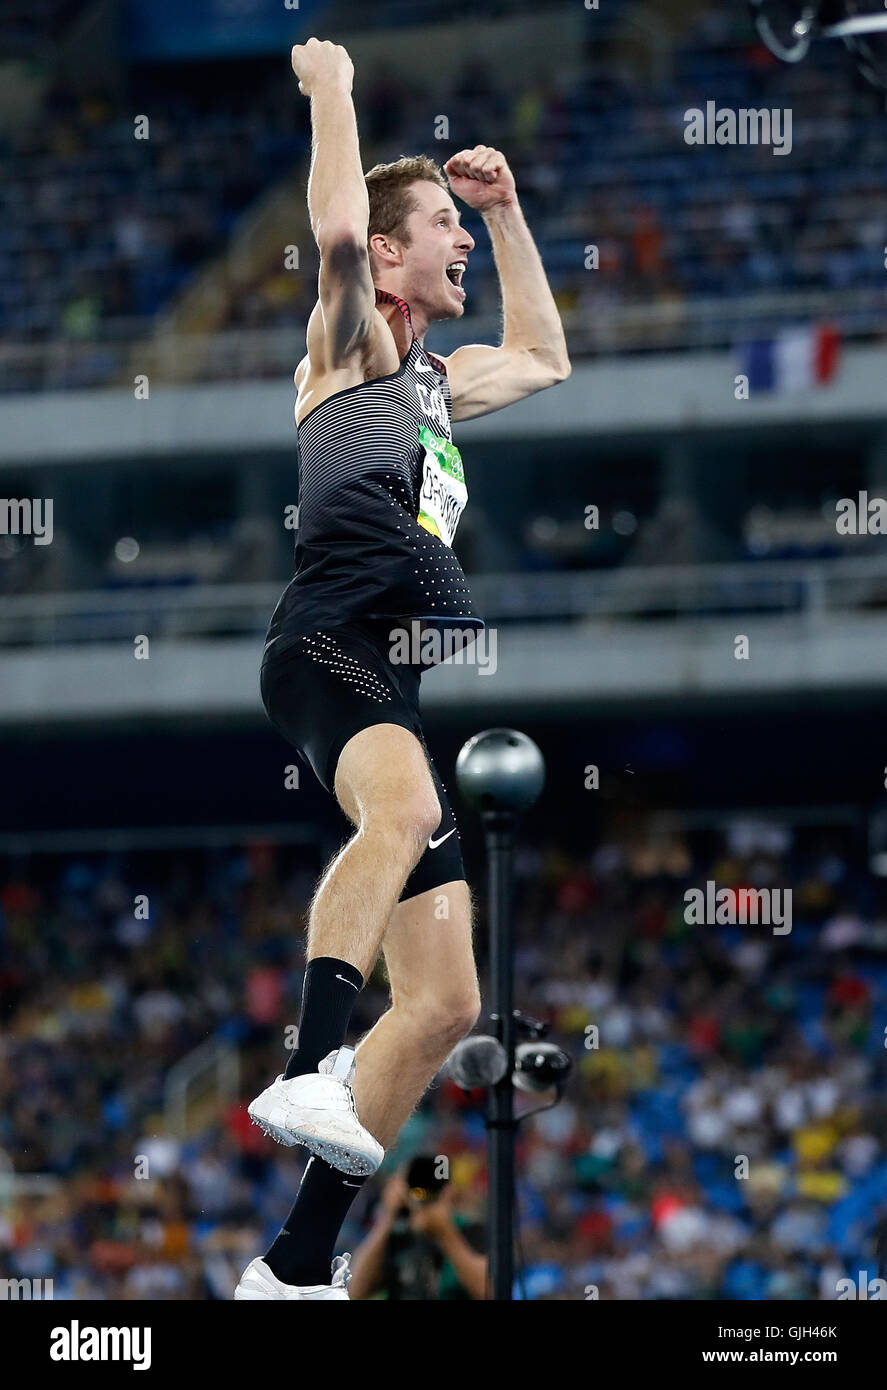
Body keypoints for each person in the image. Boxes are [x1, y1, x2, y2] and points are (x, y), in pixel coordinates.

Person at [236, 36, 569, 1302]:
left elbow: (542, 356)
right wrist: (334, 95)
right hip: (325, 652)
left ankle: (297, 1262)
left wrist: (509, 211)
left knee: (440, 1002)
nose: (457, 240)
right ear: (388, 254)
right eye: (440, 222)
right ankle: (310, 1054)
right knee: (412, 808)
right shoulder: (356, 346)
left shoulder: (436, 378)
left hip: (395, 679)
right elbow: (331, 238)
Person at [348, 1161, 487, 1301]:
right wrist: (388, 1217)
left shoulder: (470, 1230)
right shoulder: (399, 1232)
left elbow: (487, 1291)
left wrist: (445, 1232)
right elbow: (356, 1290)